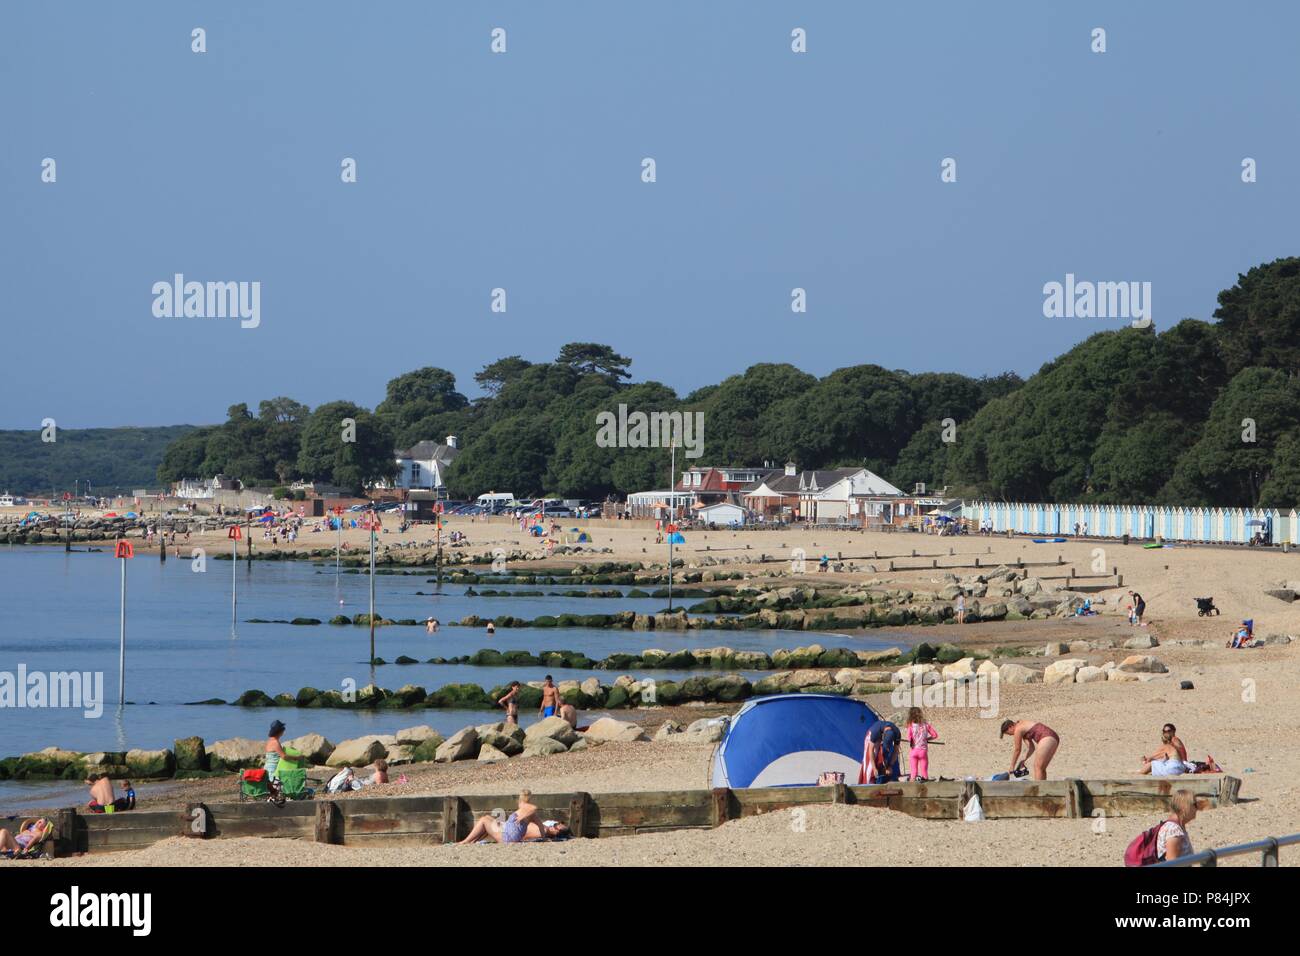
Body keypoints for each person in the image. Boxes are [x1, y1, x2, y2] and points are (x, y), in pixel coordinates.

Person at [457, 790, 545, 845]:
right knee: (487, 818)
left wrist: (522, 817)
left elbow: (534, 808)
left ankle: (465, 841)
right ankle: (472, 842)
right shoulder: (532, 815)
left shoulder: (527, 810)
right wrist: (543, 838)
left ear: (521, 799)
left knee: (483, 820)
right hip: (507, 832)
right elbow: (541, 826)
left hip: (507, 838)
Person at [1156, 789, 1198, 862]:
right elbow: (1172, 863)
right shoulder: (1173, 829)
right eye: (1194, 804)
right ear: (1183, 807)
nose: (1197, 808)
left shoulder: (1178, 826)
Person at [860, 718, 902, 784]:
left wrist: (890, 766)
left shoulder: (897, 733)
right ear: (883, 737)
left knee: (889, 756)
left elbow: (896, 751)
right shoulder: (875, 732)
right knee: (871, 761)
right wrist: (874, 768)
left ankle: (890, 777)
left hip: (883, 735)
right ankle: (869, 781)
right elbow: (870, 750)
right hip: (872, 738)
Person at [902, 707, 938, 781]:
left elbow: (909, 738)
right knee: (924, 772)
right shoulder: (926, 725)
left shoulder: (911, 725)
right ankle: (925, 788)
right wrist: (927, 739)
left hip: (914, 751)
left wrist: (913, 740)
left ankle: (912, 787)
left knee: (913, 772)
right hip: (923, 751)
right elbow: (935, 735)